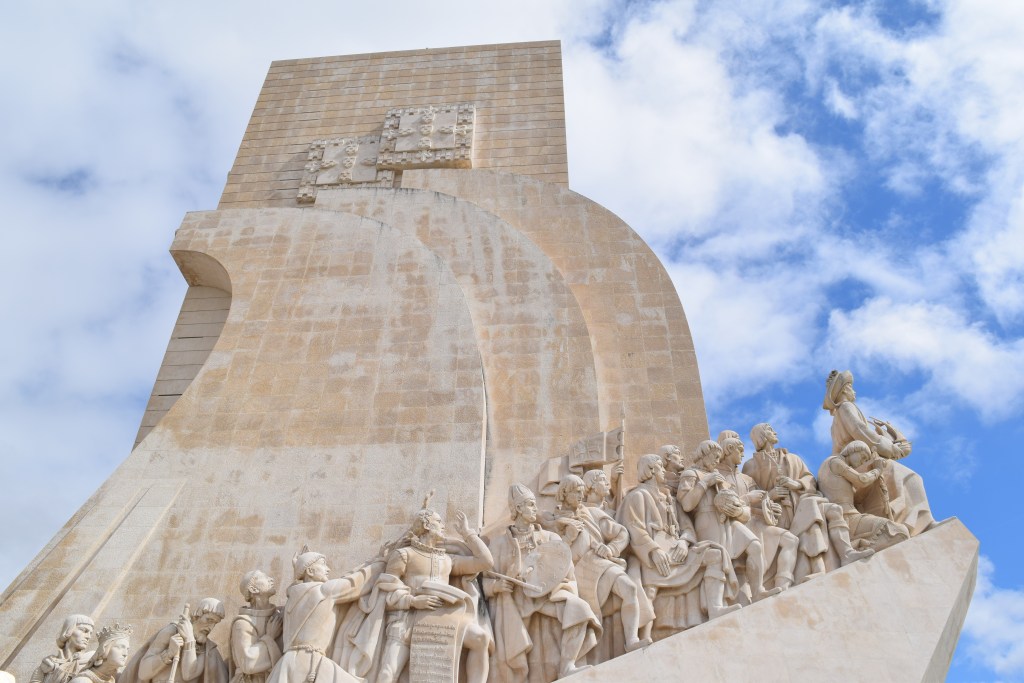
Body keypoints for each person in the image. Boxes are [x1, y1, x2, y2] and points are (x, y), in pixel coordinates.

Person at [617, 454, 740, 640]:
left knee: (715, 554)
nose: (663, 471)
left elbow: (687, 527)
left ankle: (715, 608)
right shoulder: (637, 496)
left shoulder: (671, 499)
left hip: (677, 552)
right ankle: (642, 637)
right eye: (660, 467)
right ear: (650, 470)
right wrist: (654, 551)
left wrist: (684, 541)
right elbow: (634, 527)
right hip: (652, 556)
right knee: (649, 588)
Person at [485, 484, 600, 682]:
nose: (535, 509)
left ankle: (567, 666)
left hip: (547, 596)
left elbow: (567, 571)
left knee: (580, 609)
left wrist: (558, 585)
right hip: (516, 600)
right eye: (530, 504)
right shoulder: (498, 544)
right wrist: (495, 587)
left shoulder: (550, 538)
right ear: (518, 508)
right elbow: (483, 579)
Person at [376, 506, 493, 683]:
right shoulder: (404, 554)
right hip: (409, 620)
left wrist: (467, 533)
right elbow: (386, 587)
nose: (443, 526)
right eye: (438, 521)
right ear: (426, 525)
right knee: (387, 673)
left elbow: (485, 562)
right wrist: (413, 601)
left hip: (441, 619)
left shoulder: (447, 560)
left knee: (480, 638)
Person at [744, 423, 873, 578]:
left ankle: (846, 553)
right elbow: (749, 498)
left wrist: (796, 484)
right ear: (761, 436)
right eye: (770, 430)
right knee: (812, 516)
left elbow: (809, 479)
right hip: (779, 514)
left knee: (832, 510)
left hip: (801, 501)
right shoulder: (751, 466)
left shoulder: (792, 458)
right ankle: (818, 568)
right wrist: (771, 495)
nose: (775, 432)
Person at [551, 475, 653, 659]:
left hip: (599, 563)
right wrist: (568, 538)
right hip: (577, 573)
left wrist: (611, 548)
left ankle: (632, 641)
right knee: (584, 614)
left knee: (630, 588)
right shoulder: (554, 522)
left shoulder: (591, 513)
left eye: (582, 492)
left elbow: (622, 533)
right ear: (565, 493)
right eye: (576, 492)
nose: (581, 496)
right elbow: (552, 557)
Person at [823, 370, 935, 535]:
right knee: (910, 477)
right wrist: (894, 449)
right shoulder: (846, 407)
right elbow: (861, 431)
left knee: (901, 475)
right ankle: (922, 525)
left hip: (857, 463)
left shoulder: (837, 418)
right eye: (851, 387)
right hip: (858, 463)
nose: (854, 391)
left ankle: (913, 522)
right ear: (845, 389)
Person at [678, 441, 782, 602]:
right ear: (704, 454)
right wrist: (705, 483)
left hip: (728, 521)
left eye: (719, 457)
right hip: (706, 520)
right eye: (715, 456)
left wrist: (741, 505)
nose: (717, 461)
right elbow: (686, 504)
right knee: (719, 558)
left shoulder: (719, 477)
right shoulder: (690, 474)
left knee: (755, 545)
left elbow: (734, 502)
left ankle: (757, 591)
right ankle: (717, 604)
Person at [268, 548, 382, 683]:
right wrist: (382, 562)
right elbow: (356, 583)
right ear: (310, 571)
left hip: (286, 664)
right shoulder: (323, 591)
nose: (328, 569)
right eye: (323, 564)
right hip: (310, 662)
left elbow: (300, 588)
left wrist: (298, 571)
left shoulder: (292, 597)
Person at [716, 434, 798, 593]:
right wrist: (747, 498)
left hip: (754, 522)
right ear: (729, 449)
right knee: (753, 547)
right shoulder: (718, 477)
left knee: (791, 540)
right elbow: (723, 506)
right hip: (733, 525)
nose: (743, 454)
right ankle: (757, 591)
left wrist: (771, 507)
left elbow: (759, 503)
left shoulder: (747, 479)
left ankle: (783, 587)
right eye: (740, 450)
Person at [817, 441, 911, 551]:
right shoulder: (835, 462)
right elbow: (862, 480)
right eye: (863, 457)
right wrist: (878, 469)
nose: (862, 462)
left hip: (848, 516)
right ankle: (861, 549)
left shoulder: (835, 467)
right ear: (853, 449)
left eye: (865, 460)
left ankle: (862, 548)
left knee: (899, 533)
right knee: (900, 531)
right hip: (848, 518)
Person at [124, 599, 227, 683]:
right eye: (209, 620)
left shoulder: (208, 650)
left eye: (215, 623)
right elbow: (143, 672)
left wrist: (189, 640)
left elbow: (188, 674)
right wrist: (169, 653)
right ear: (197, 616)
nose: (210, 627)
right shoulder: (172, 631)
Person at [229, 571, 282, 683]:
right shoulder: (242, 623)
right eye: (264, 577)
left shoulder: (279, 616)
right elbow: (248, 664)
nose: (271, 579)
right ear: (253, 589)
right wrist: (269, 637)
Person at [30, 615, 95, 683]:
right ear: (69, 630)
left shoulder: (90, 660)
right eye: (84, 630)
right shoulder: (48, 663)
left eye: (90, 633)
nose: (88, 637)